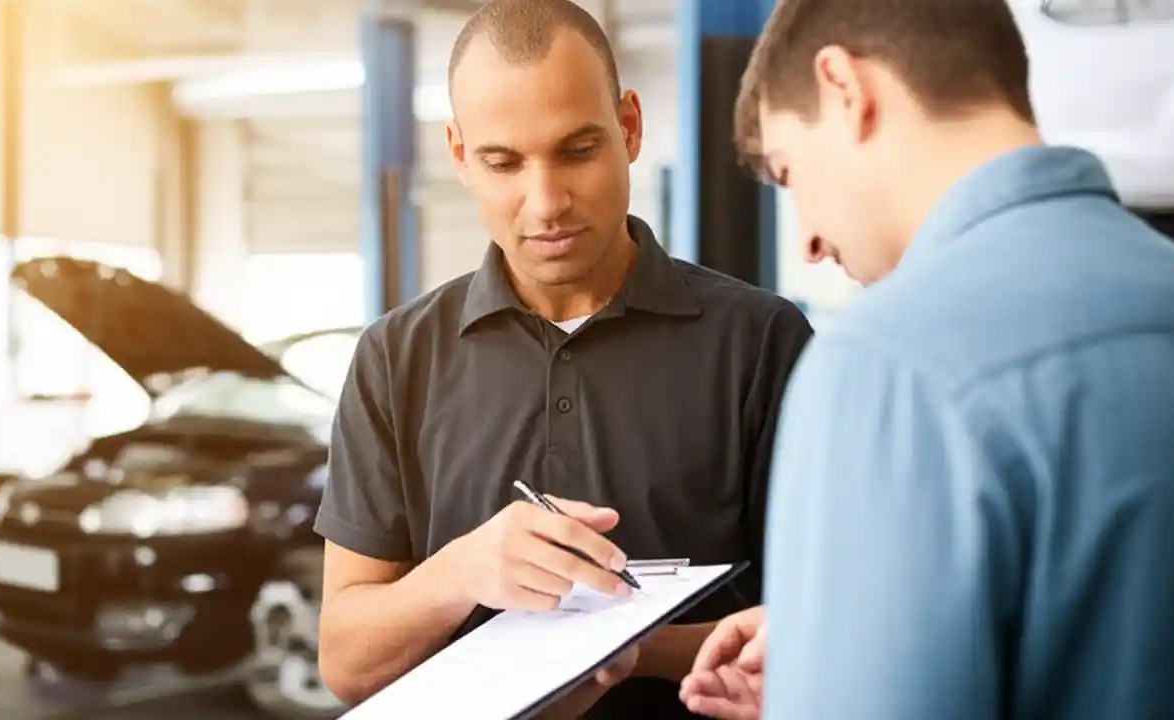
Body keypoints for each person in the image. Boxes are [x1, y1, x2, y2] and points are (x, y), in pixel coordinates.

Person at [681, 0, 1174, 718]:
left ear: (844, 89)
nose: (808, 243)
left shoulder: (885, 365)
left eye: (788, 173)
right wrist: (844, 647)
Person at [315, 0, 812, 717]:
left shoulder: (762, 342)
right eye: (503, 162)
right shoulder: (395, 357)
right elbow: (347, 664)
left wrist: (622, 642)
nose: (545, 202)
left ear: (629, 127)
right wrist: (463, 570)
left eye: (577, 150)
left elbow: (824, 623)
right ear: (460, 154)